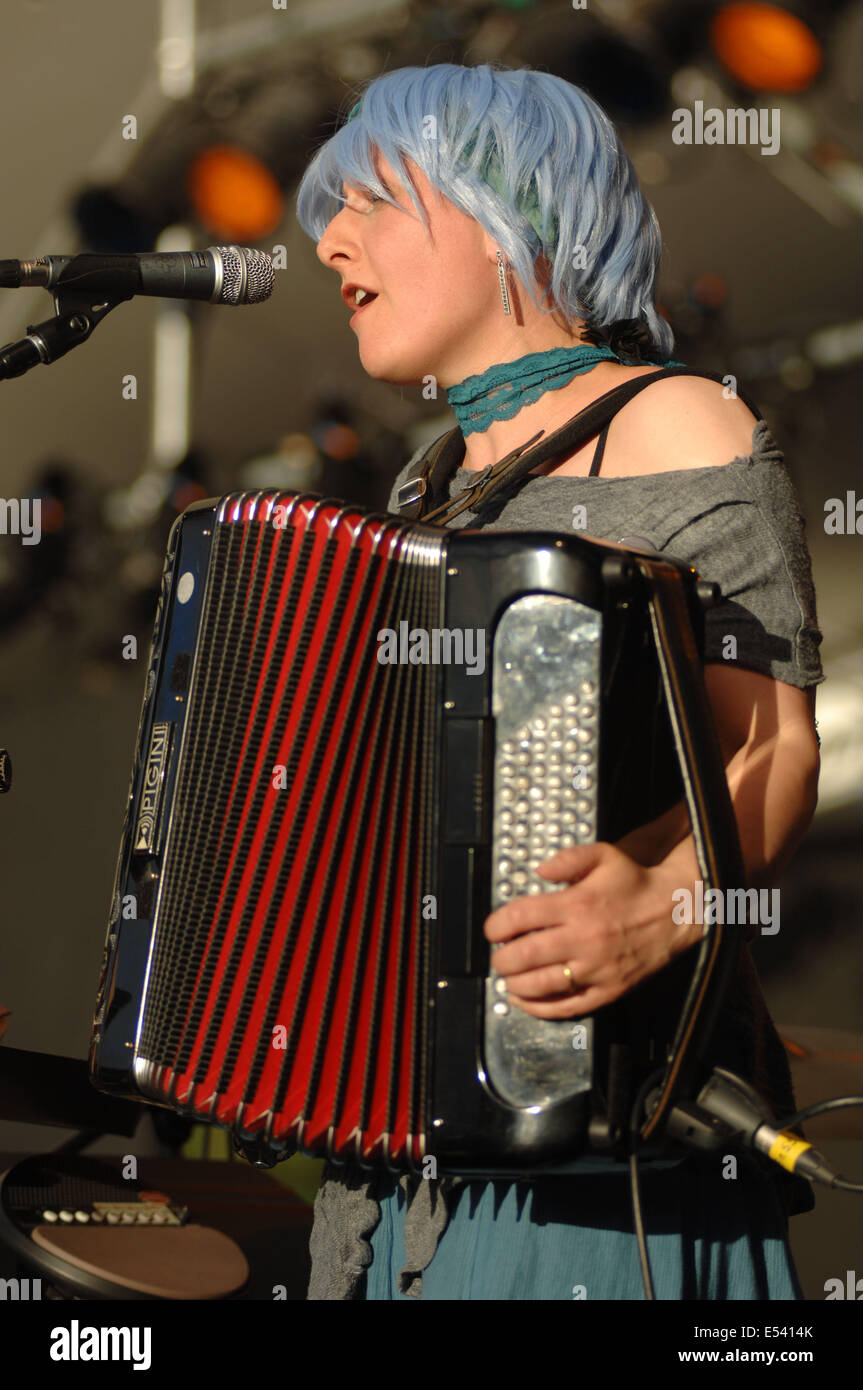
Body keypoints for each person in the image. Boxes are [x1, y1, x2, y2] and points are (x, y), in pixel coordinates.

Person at [295, 62, 823, 1300]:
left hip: (598, 1168)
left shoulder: (676, 419)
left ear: (505, 211)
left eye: (371, 201)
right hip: (406, 1146)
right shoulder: (426, 486)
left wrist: (660, 902)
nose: (329, 243)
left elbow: (773, 749)